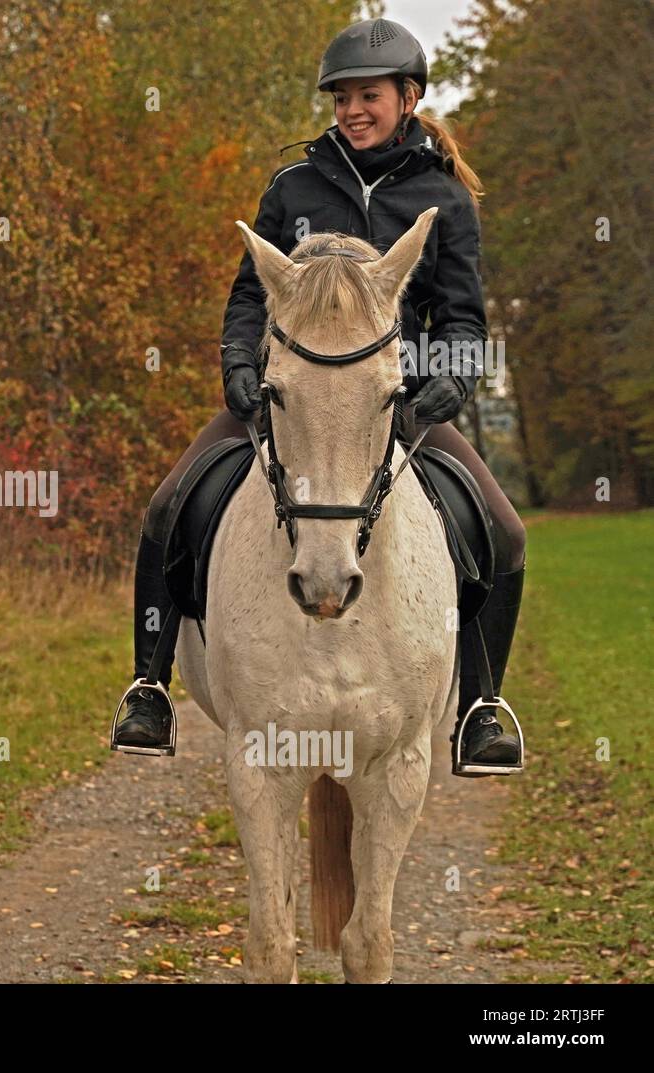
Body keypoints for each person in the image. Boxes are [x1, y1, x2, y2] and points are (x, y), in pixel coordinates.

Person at [111, 18, 527, 776]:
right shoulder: (293, 187)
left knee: (503, 530)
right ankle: (149, 684)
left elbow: (463, 318)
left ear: (407, 97)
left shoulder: (445, 199)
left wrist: (447, 387)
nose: (351, 111)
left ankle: (479, 706)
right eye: (340, 99)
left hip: (394, 402)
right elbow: (248, 296)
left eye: (367, 96)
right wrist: (240, 365)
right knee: (168, 505)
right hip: (288, 395)